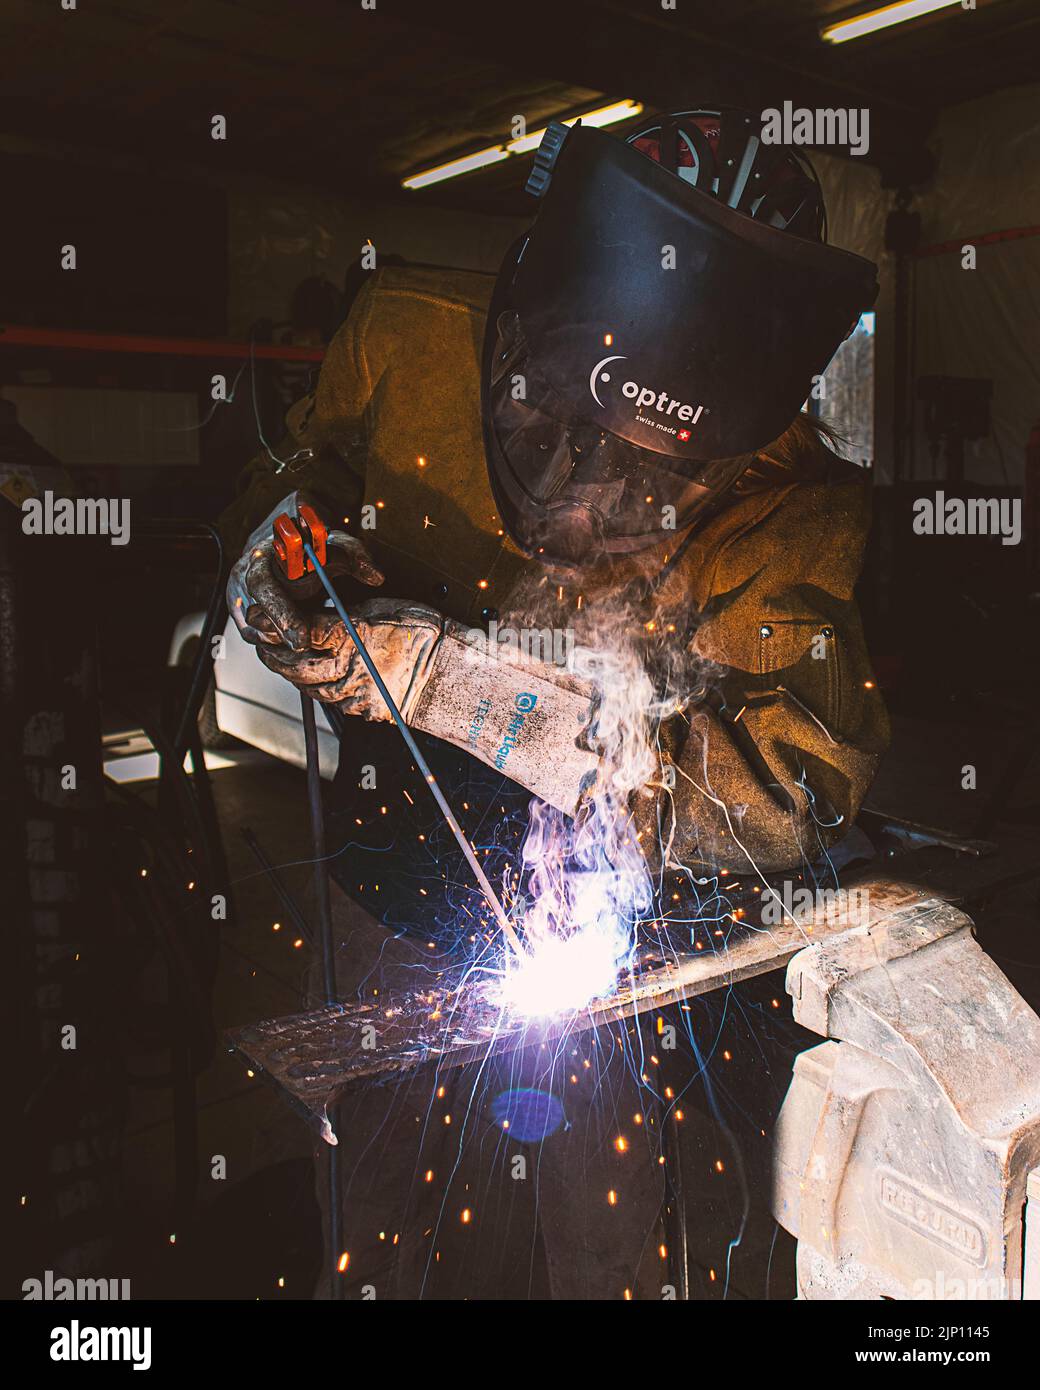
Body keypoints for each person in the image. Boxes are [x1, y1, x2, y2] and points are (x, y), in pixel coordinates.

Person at [221, 109, 889, 1298]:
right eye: (564, 431)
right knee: (370, 1202)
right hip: (389, 855)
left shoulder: (791, 504)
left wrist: (456, 684)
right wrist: (285, 527)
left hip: (598, 910)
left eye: (653, 470)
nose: (584, 501)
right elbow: (309, 460)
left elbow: (787, 793)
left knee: (600, 1224)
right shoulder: (408, 329)